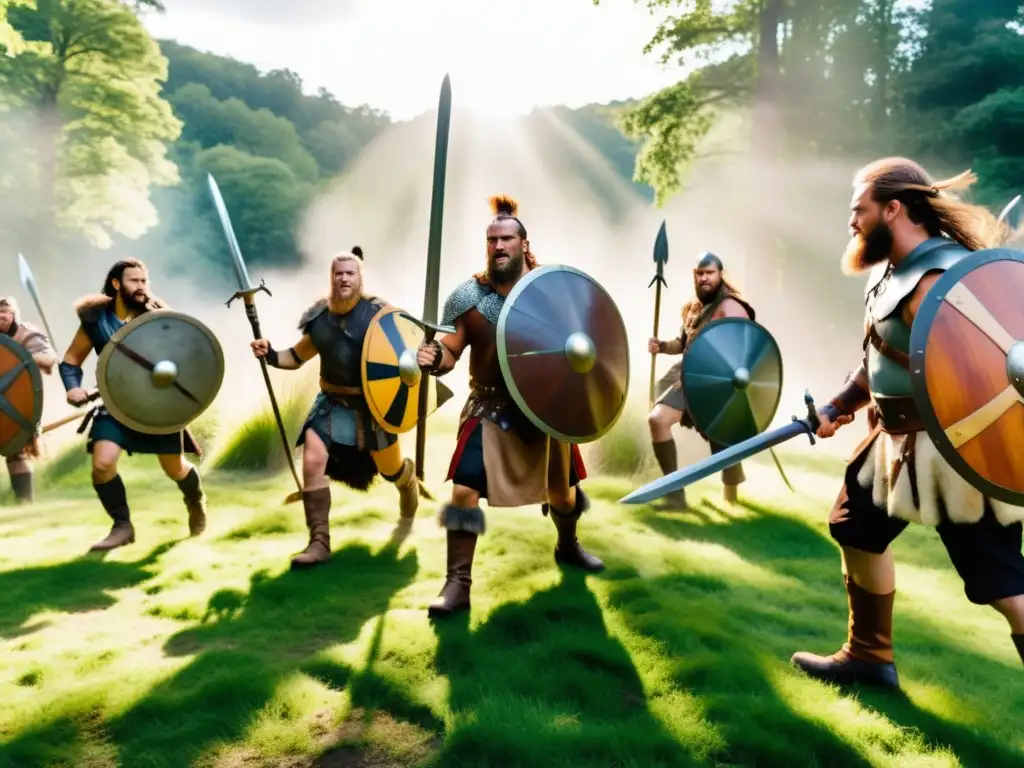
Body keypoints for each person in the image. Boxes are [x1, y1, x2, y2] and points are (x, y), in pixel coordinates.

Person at [790, 157, 1024, 689]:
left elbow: (982, 375)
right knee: (855, 525)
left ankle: (871, 655)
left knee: (1000, 582)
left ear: (893, 209)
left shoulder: (938, 280)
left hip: (950, 453)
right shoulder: (894, 274)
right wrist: (836, 406)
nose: (851, 221)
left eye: (860, 210)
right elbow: (883, 355)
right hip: (893, 444)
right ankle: (870, 656)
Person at [415, 195, 605, 619]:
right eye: (492, 240)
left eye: (506, 239)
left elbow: (582, 344)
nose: (498, 246)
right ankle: (457, 585)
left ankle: (568, 546)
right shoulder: (469, 296)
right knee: (463, 490)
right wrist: (433, 360)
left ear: (523, 243)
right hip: (490, 407)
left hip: (544, 408)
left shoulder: (549, 290)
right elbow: (450, 350)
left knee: (562, 492)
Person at [250, 247, 420, 570]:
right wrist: (270, 354)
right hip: (330, 403)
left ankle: (407, 480)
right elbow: (296, 357)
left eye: (349, 273)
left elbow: (406, 358)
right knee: (313, 459)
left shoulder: (378, 315)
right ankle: (319, 542)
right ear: (331, 277)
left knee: (390, 470)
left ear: (360, 277)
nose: (343, 278)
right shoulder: (320, 320)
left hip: (371, 407)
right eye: (338, 273)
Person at [58, 259, 207, 552]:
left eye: (144, 281)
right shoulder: (96, 318)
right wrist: (73, 387)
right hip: (114, 402)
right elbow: (71, 361)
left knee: (175, 468)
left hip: (158, 405)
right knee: (102, 464)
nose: (141, 287)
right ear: (117, 284)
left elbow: (187, 355)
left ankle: (195, 500)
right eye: (134, 281)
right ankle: (122, 527)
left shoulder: (158, 316)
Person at [647, 251, 755, 508]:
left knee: (723, 442)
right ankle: (675, 497)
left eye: (710, 273)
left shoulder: (731, 307)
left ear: (720, 275)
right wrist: (661, 346)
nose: (704, 278)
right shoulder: (694, 308)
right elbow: (683, 344)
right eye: (700, 273)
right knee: (658, 419)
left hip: (716, 383)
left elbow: (746, 349)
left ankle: (732, 499)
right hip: (685, 376)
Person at [0, 296, 57, 503]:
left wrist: (24, 362)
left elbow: (48, 358)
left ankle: (24, 501)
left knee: (16, 450)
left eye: (3, 311)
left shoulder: (26, 333)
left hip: (15, 403)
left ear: (13, 314)